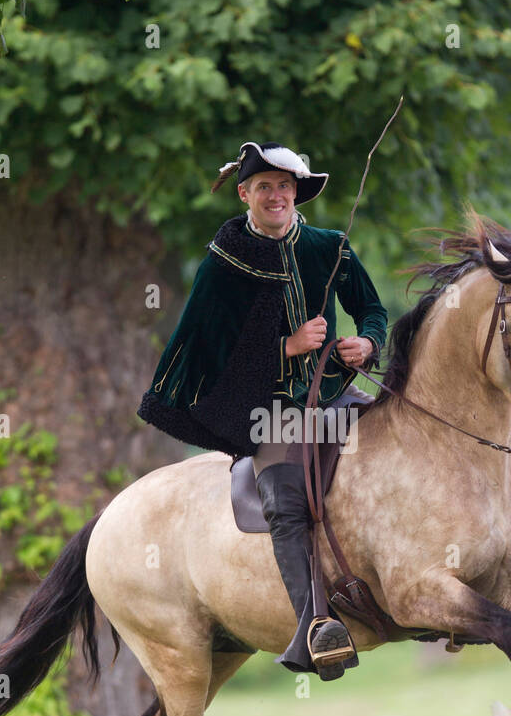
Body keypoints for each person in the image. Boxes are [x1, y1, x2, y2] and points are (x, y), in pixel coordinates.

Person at [137, 140, 389, 679]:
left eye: (285, 186)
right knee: (283, 501)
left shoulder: (330, 246)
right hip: (270, 411)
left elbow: (371, 309)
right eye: (265, 187)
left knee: (405, 445)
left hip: (337, 396)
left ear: (297, 192)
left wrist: (366, 343)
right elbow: (207, 356)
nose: (277, 196)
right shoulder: (223, 264)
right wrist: (286, 347)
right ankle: (318, 626)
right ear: (245, 193)